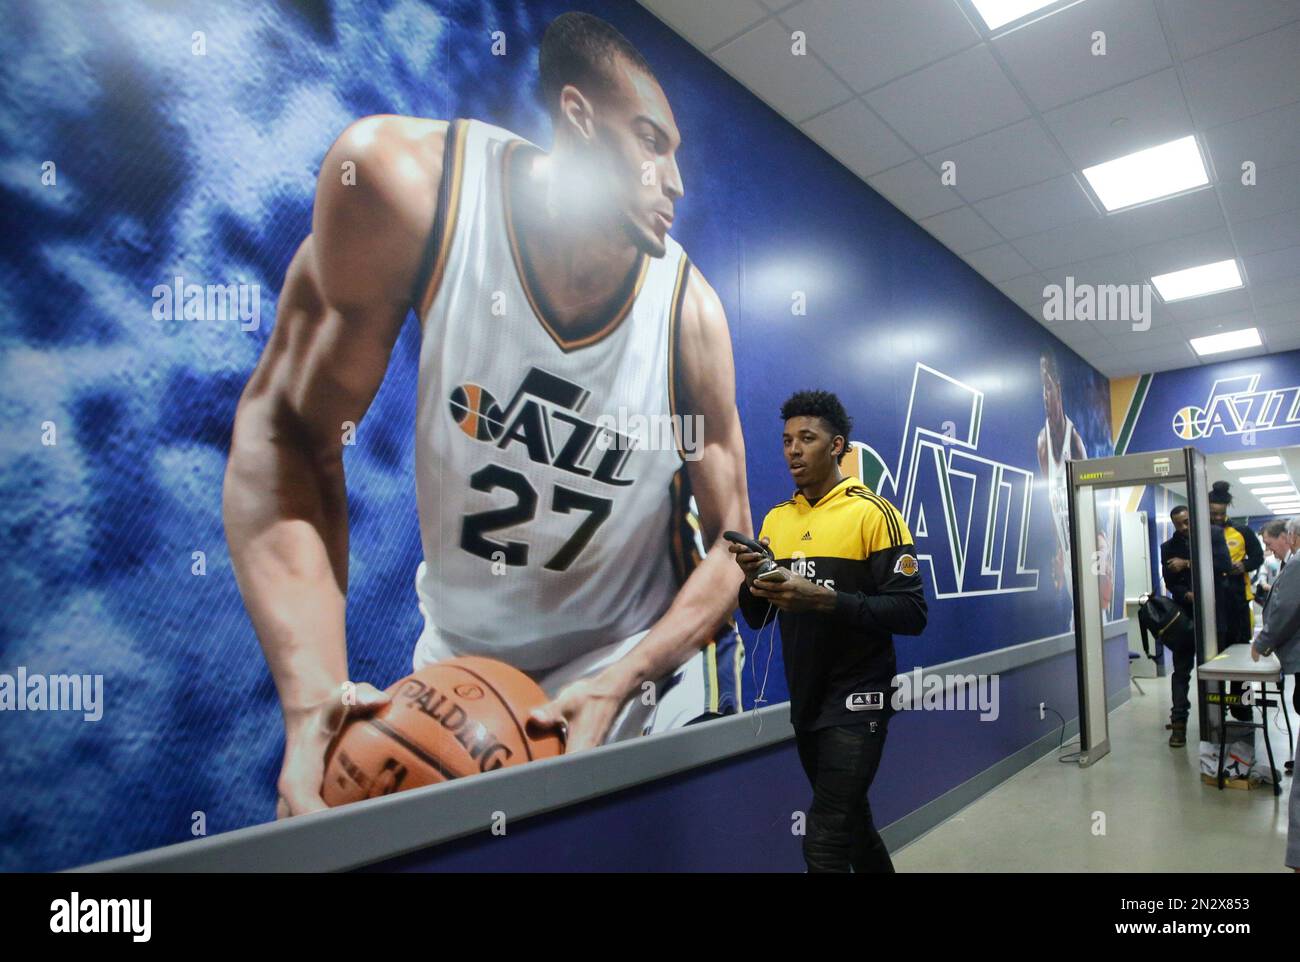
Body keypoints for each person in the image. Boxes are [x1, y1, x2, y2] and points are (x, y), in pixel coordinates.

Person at [224, 12, 755, 818]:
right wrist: (310, 704)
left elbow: (735, 543)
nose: (674, 180)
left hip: (637, 667)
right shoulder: (409, 186)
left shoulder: (689, 315)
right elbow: (288, 435)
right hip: (461, 670)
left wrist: (626, 678)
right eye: (651, 141)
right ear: (578, 116)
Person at [730, 390, 927, 872]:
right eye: (786, 440)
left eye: (807, 438)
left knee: (823, 840)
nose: (793, 450)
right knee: (852, 825)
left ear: (836, 446)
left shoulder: (872, 514)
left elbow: (911, 612)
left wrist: (824, 599)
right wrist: (755, 581)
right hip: (808, 697)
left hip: (860, 696)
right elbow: (759, 616)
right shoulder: (778, 518)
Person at [1159, 504, 1233, 747]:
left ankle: (1217, 723)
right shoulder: (1168, 547)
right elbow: (1170, 582)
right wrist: (1186, 594)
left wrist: (1187, 563)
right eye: (1179, 524)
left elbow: (1223, 566)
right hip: (1184, 619)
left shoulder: (1212, 534)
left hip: (1213, 615)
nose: (1184, 527)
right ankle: (1178, 725)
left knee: (1214, 672)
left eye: (1187, 522)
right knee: (1180, 673)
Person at [1251, 518, 1300, 849]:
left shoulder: (1297, 563)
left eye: (1272, 542)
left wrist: (1263, 641)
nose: (1269, 548)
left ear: (1291, 536)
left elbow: (1285, 609)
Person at [1208, 482, 1265, 721]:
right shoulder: (1201, 533)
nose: (1218, 518)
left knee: (1240, 661)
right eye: (1213, 514)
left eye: (1222, 513)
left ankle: (1242, 710)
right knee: (1214, 660)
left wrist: (1245, 565)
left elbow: (1258, 557)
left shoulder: (1242, 531)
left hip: (1239, 604)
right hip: (1212, 605)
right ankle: (1215, 712)